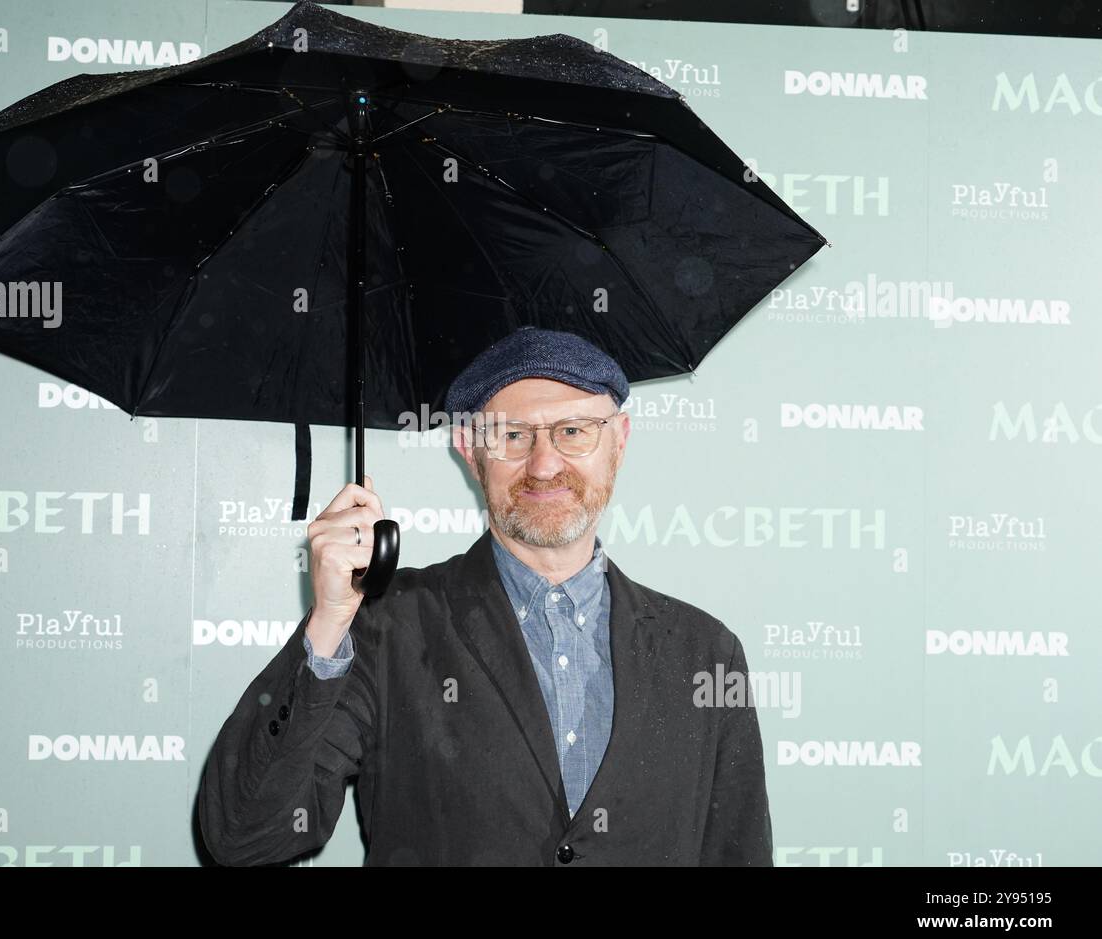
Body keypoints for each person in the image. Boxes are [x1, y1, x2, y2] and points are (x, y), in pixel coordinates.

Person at [198, 326, 772, 866]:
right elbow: (244, 836)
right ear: (470, 450)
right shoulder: (383, 627)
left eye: (573, 431)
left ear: (618, 441)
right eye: (512, 436)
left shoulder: (706, 655)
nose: (544, 464)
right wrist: (329, 623)